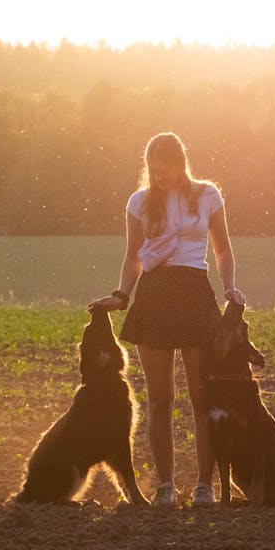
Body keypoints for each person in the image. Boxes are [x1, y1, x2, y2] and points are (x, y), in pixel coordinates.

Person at [88, 132, 246, 507]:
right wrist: (122, 295)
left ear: (180, 164)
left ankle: (205, 486)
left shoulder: (207, 194)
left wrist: (230, 289)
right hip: (154, 298)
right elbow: (133, 258)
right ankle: (166, 486)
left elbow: (223, 250)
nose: (159, 177)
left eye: (166, 171)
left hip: (195, 295)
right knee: (160, 400)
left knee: (200, 397)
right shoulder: (139, 202)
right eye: (153, 171)